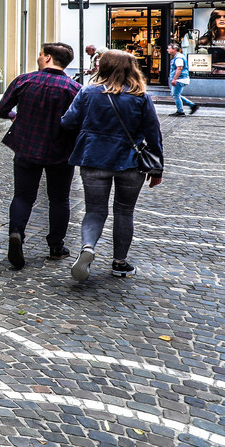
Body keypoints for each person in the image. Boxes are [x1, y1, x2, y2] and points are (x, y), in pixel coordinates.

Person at [60, 50, 163, 281]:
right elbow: (153, 133)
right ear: (131, 68)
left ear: (102, 66)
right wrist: (157, 168)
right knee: (124, 212)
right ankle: (119, 263)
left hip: (94, 158)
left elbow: (68, 122)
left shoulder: (87, 91)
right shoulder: (140, 96)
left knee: (95, 210)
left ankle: (87, 247)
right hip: (130, 162)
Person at [0, 42, 81, 269]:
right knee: (59, 198)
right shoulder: (74, 89)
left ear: (49, 58)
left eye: (40, 54)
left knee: (23, 196)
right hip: (60, 151)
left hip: (27, 147)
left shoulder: (25, 80)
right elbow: (80, 122)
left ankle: (16, 234)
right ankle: (56, 246)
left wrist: (15, 115)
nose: (39, 58)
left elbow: (1, 109)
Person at [197, 6, 225, 76]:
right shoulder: (205, 40)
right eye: (218, 17)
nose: (222, 19)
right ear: (213, 20)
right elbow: (199, 62)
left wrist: (217, 64)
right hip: (213, 75)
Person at [167, 43, 199, 116]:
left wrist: (174, 79)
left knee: (175, 95)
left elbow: (179, 68)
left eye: (169, 48)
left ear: (174, 49)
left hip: (180, 79)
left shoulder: (179, 58)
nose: (167, 50)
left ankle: (180, 111)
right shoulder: (178, 57)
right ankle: (192, 106)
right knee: (175, 94)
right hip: (181, 78)